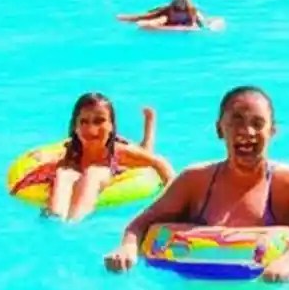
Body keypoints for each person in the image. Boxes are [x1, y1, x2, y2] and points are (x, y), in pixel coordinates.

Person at [104, 86, 289, 282]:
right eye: (237, 122)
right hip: (197, 283)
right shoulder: (194, 181)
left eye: (258, 123)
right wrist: (127, 248)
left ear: (272, 131)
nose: (247, 132)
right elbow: (140, 223)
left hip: (263, 288)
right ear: (219, 130)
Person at [10, 93, 172, 221]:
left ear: (111, 126)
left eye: (99, 121)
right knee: (64, 174)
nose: (91, 128)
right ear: (75, 127)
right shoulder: (70, 151)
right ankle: (54, 220)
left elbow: (157, 162)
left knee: (94, 173)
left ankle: (74, 223)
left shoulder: (118, 151)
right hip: (72, 171)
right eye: (84, 122)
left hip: (104, 172)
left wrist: (176, 199)